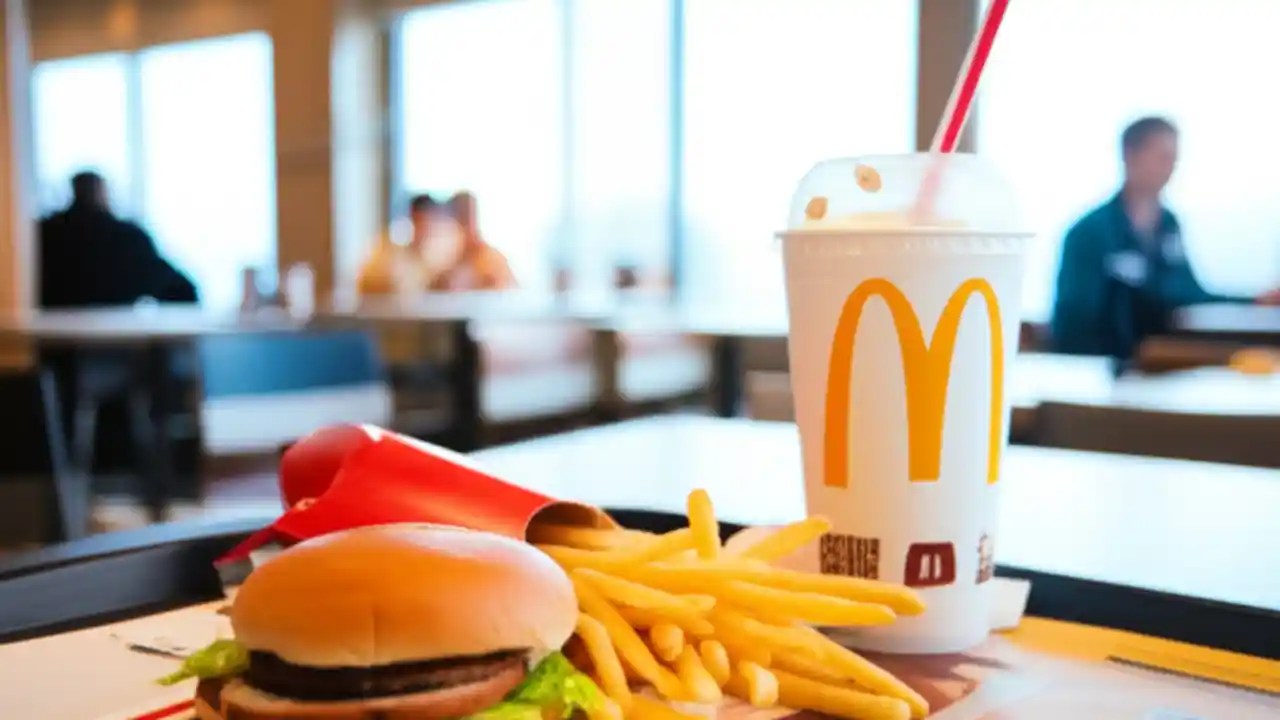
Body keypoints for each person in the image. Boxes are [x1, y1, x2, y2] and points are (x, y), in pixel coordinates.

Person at [1050, 117, 1280, 360]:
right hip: (1101, 369)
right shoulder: (1091, 232)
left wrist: (1253, 300)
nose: (1170, 167)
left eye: (1173, 158)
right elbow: (1074, 318)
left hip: (1159, 364)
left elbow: (1189, 293)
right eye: (1162, 157)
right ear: (1130, 154)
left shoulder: (1169, 225)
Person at [38, 172, 197, 308]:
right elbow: (182, 290)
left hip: (50, 339)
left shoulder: (43, 233)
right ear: (103, 193)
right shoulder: (129, 237)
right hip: (117, 340)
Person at [431, 191, 515, 291]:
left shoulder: (494, 260)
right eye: (461, 218)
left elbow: (512, 294)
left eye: (468, 218)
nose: (466, 227)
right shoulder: (442, 263)